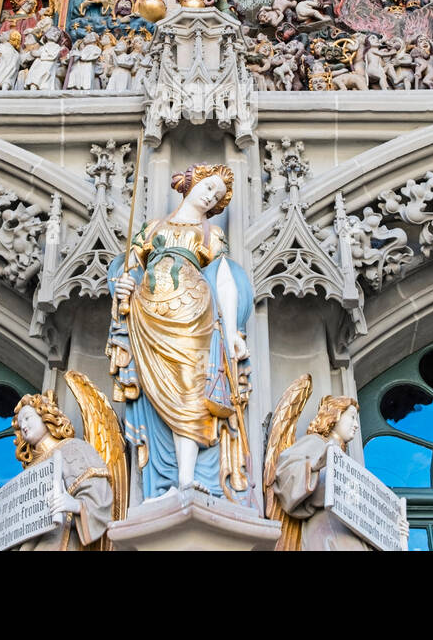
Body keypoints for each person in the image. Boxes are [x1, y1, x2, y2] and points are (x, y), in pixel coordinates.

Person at [109, 164, 254, 500]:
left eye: (217, 196)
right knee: (157, 392)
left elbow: (224, 279)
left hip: (192, 313)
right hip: (148, 316)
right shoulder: (153, 227)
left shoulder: (210, 234)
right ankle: (170, 479)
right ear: (191, 183)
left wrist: (232, 332)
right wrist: (123, 285)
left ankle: (187, 479)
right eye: (208, 187)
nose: (211, 196)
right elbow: (129, 266)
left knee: (190, 392)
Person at [0, 391, 114, 551]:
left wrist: (76, 505)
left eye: (28, 418)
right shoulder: (27, 475)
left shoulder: (73, 448)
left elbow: (99, 495)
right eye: (20, 423)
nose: (23, 426)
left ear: (45, 415)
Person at [271, 396, 371, 550]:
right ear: (335, 415)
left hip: (348, 529)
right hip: (327, 526)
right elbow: (285, 471)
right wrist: (313, 467)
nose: (356, 425)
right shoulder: (316, 442)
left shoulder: (349, 462)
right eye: (352, 418)